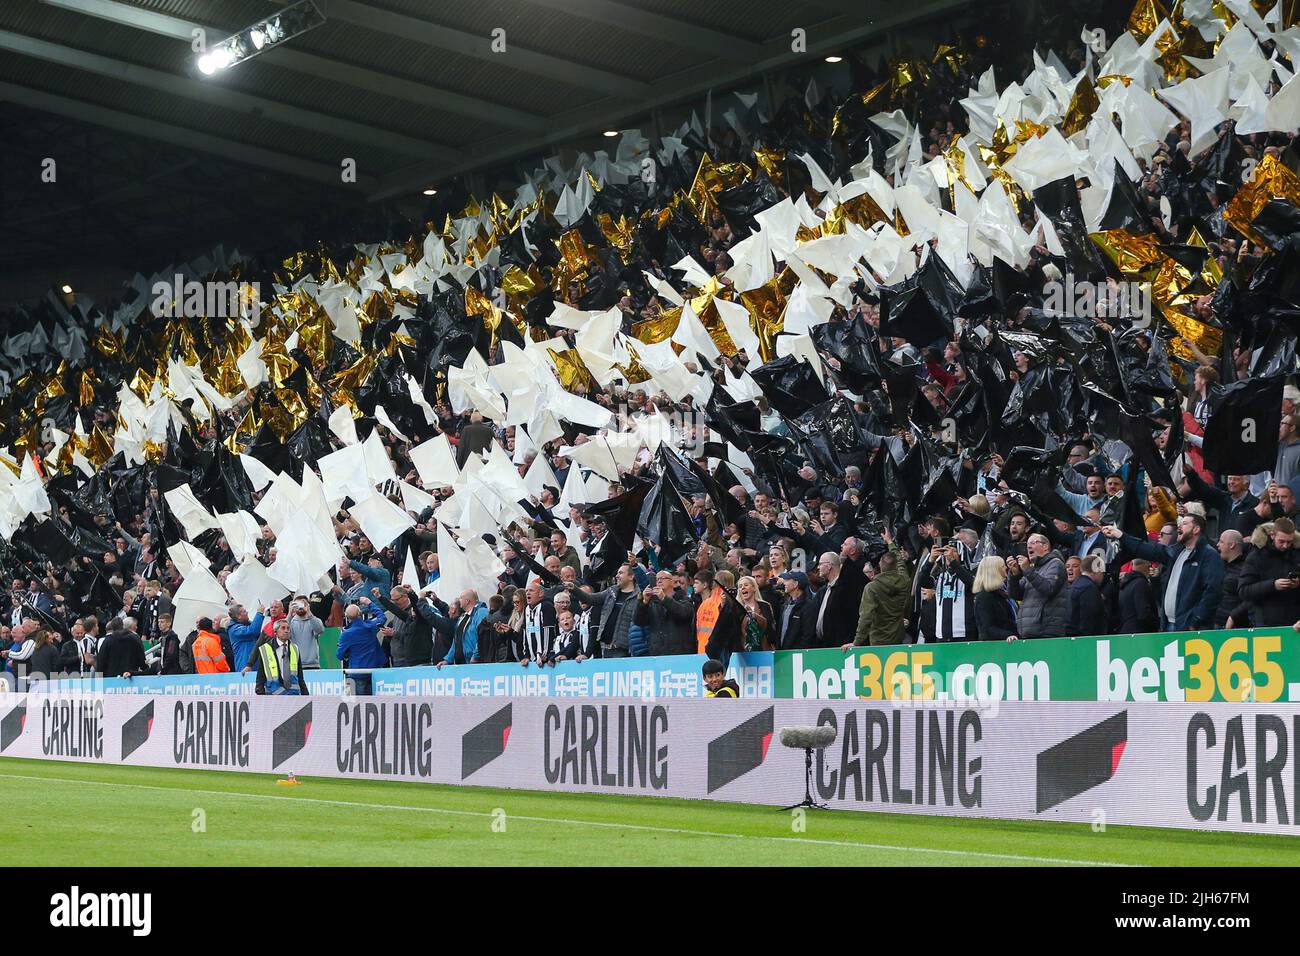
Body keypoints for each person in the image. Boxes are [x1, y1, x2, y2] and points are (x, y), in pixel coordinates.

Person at [1102, 514, 1225, 631]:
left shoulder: (1209, 555)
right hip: (1169, 625)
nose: (1179, 527)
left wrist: (1195, 621)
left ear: (1196, 529)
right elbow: (1144, 548)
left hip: (1190, 628)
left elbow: (1213, 592)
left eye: (1185, 524)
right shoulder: (1176, 552)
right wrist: (1119, 535)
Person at [848, 538, 913, 648]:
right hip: (898, 637)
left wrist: (857, 642)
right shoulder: (904, 581)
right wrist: (890, 543)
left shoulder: (871, 588)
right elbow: (901, 563)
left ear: (880, 565)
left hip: (878, 640)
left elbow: (866, 616)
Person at [1236, 517, 1300, 627]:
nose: (1285, 545)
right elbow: (1243, 591)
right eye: (1281, 541)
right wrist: (1272, 585)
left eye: (1289, 542)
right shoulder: (1256, 556)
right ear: (1272, 536)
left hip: (1294, 624)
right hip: (1266, 624)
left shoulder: (1296, 554)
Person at [1006, 533, 1069, 639]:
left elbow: (1049, 588)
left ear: (1045, 546)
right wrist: (1014, 575)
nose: (1029, 546)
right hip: (1029, 631)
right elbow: (1015, 594)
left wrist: (1028, 571)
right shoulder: (1033, 568)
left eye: (1033, 543)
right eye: (1027, 545)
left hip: (1046, 631)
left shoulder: (1055, 564)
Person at [633, 570, 695, 655]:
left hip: (679, 653)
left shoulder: (683, 598)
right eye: (657, 579)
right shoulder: (653, 602)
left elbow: (684, 613)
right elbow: (638, 621)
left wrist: (664, 599)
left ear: (672, 583)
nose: (659, 581)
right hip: (657, 653)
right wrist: (644, 602)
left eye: (663, 578)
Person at [337, 601, 386, 693]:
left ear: (347, 617)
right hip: (375, 671)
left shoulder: (346, 634)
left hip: (357, 672)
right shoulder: (370, 626)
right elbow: (382, 617)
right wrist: (370, 603)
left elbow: (339, 655)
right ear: (360, 614)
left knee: (360, 705)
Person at [255, 618, 310, 695]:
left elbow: (300, 675)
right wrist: (259, 691)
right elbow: (261, 674)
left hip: (293, 695)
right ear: (276, 632)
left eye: (288, 628)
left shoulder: (295, 648)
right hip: (274, 694)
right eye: (283, 628)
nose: (286, 631)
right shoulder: (265, 649)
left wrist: (305, 694)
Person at [972, 555, 1018, 642]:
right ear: (995, 571)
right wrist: (1008, 635)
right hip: (995, 647)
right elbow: (987, 627)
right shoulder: (984, 597)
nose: (1006, 568)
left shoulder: (1002, 594)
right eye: (1002, 566)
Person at [1067, 554, 1110, 637]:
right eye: (1102, 572)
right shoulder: (1089, 588)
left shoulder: (1075, 585)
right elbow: (1088, 618)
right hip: (1086, 641)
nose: (1102, 575)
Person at [226, 602, 266, 673]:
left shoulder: (246, 625)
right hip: (244, 666)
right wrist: (259, 613)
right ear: (238, 616)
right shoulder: (234, 629)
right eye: (244, 611)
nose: (247, 612)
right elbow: (253, 631)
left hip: (253, 665)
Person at [287, 598, 324, 668]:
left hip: (312, 664)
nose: (300, 607)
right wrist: (289, 613)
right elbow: (282, 632)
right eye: (297, 605)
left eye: (303, 604)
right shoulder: (291, 622)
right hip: (295, 664)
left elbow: (320, 630)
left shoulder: (314, 620)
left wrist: (309, 612)